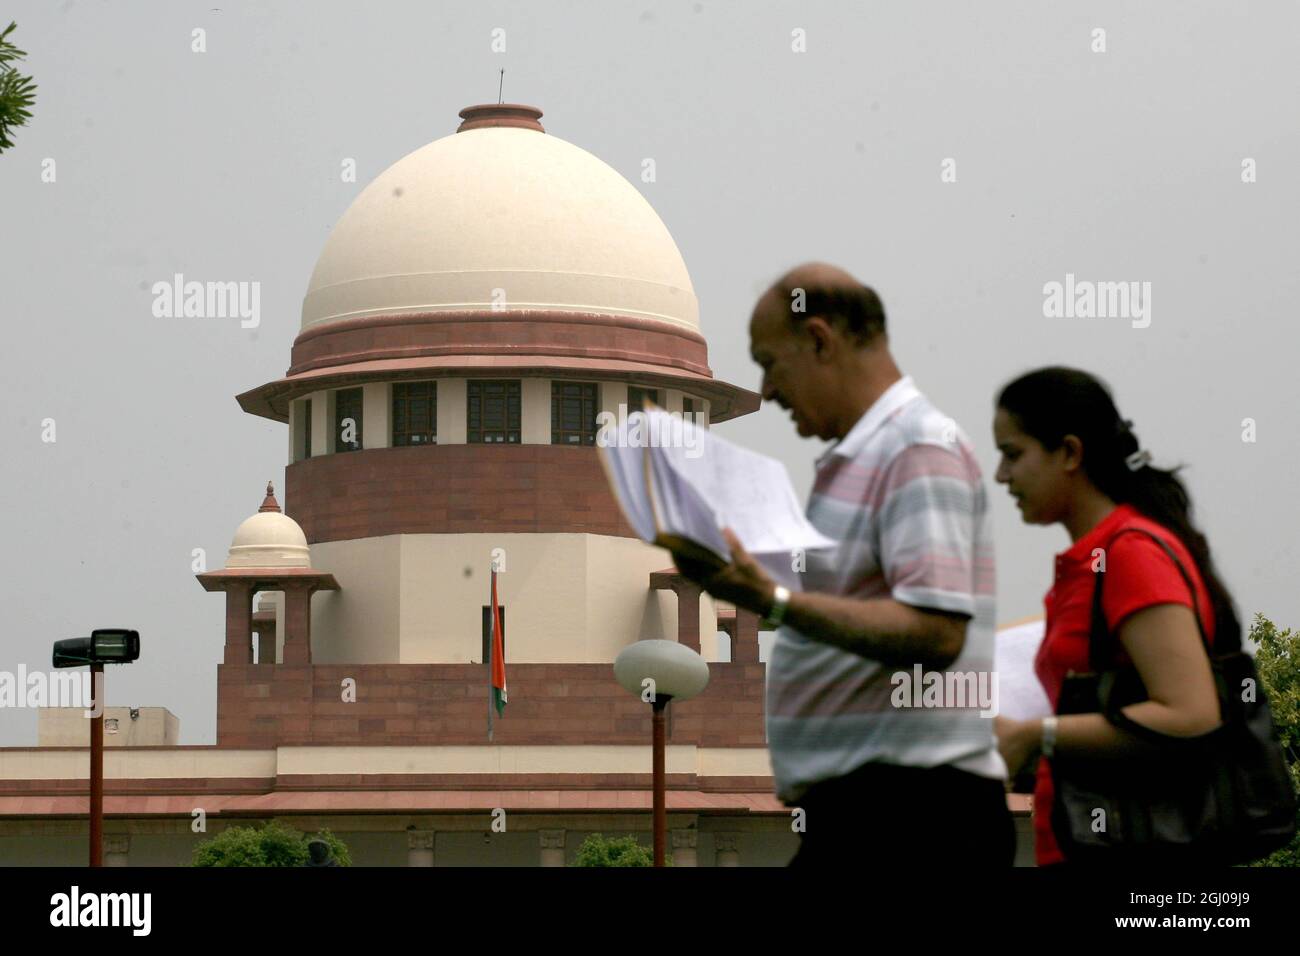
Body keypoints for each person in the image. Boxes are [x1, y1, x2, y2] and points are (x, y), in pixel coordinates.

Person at [669, 262, 1013, 866]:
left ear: (821, 341)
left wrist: (772, 600)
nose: (768, 392)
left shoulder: (915, 448)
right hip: (870, 814)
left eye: (770, 363)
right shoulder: (860, 460)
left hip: (914, 814)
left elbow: (936, 630)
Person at [991, 366, 1230, 867]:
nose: (1001, 475)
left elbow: (1191, 713)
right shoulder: (1097, 557)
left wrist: (1037, 734)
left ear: (1071, 453)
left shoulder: (1130, 553)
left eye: (1013, 454)